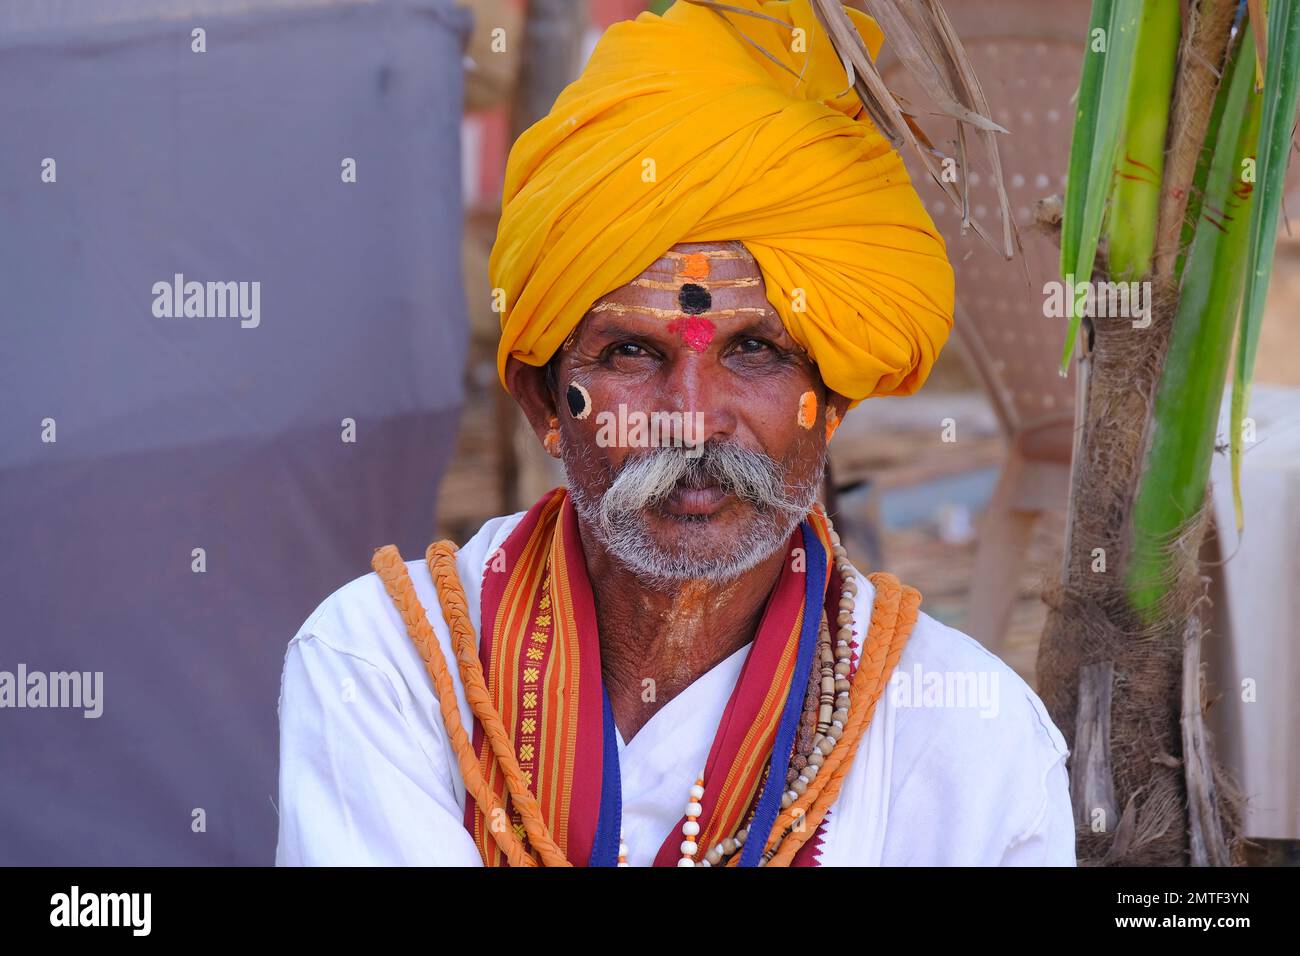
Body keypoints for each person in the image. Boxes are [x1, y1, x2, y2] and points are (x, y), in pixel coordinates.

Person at [275, 0, 1074, 867]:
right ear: (545, 402)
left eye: (758, 350)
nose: (692, 414)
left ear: (834, 398)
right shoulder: (385, 672)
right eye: (628, 352)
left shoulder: (966, 736)